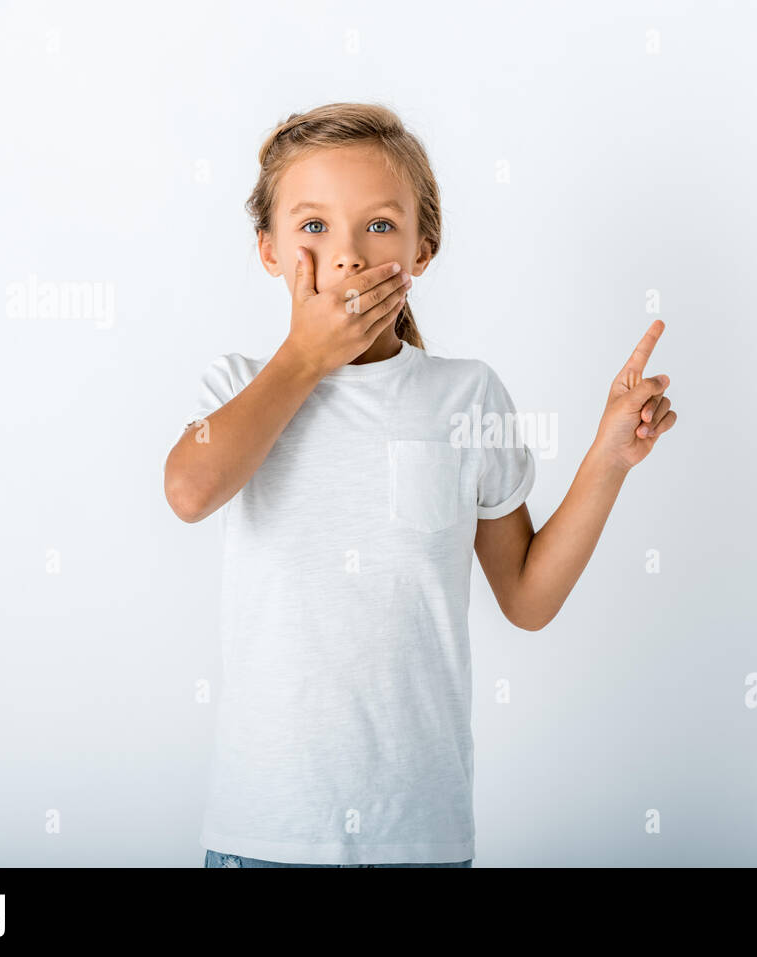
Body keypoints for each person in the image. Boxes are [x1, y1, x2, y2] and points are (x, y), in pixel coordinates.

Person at [163, 102, 678, 867]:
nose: (346, 255)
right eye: (312, 227)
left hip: (420, 835)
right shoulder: (240, 386)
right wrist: (305, 358)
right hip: (265, 834)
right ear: (268, 250)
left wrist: (607, 458)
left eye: (377, 226)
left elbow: (528, 599)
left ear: (421, 248)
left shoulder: (465, 397)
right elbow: (190, 491)